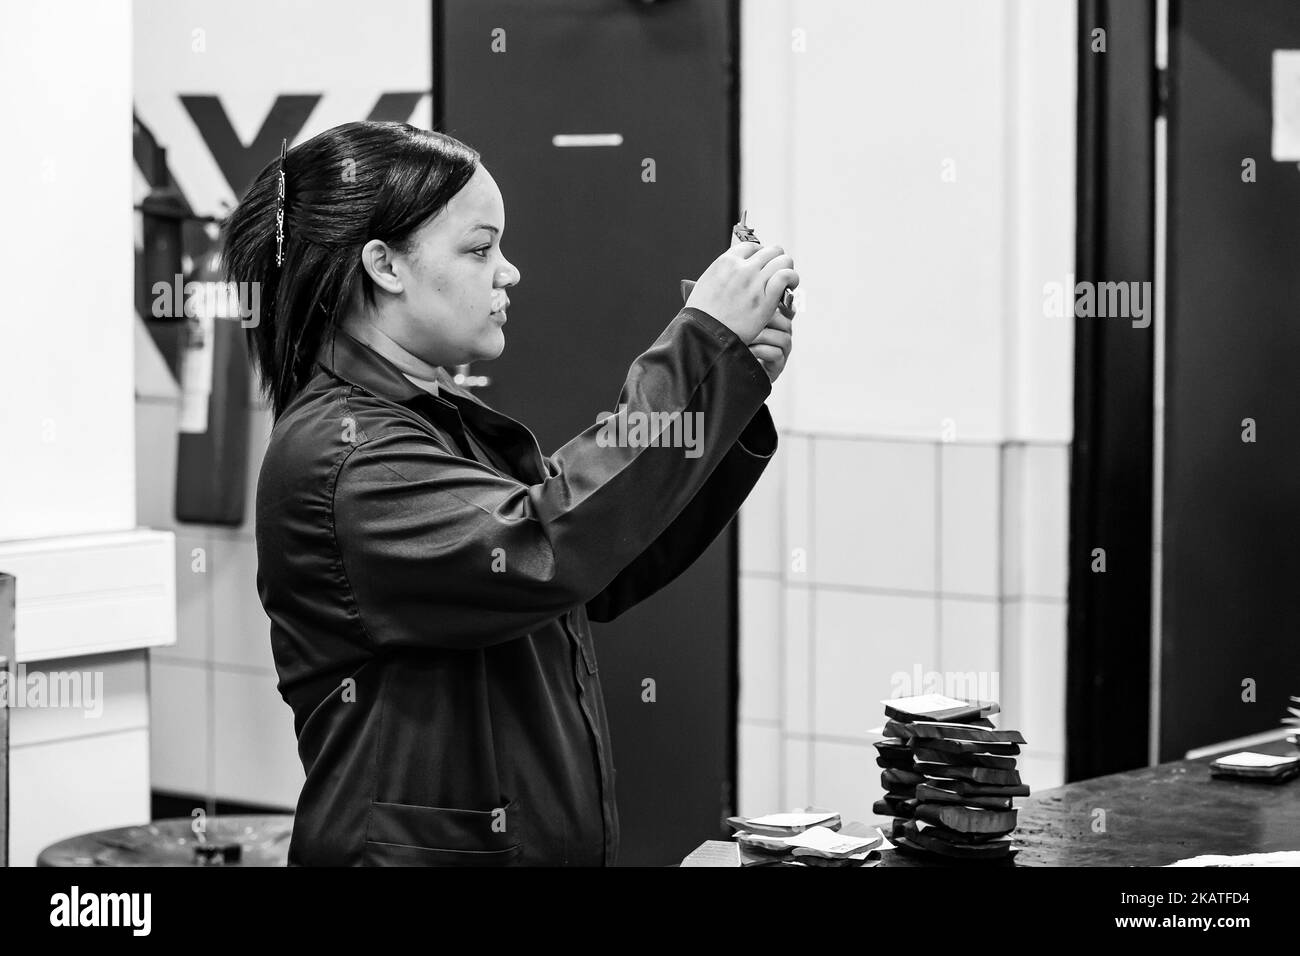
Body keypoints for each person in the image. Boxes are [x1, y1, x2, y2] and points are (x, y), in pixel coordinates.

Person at [221, 120, 797, 865]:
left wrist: (732, 385)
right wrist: (702, 345)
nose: (508, 272)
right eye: (479, 247)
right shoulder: (348, 457)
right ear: (384, 265)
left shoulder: (426, 423)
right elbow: (547, 543)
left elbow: (595, 562)